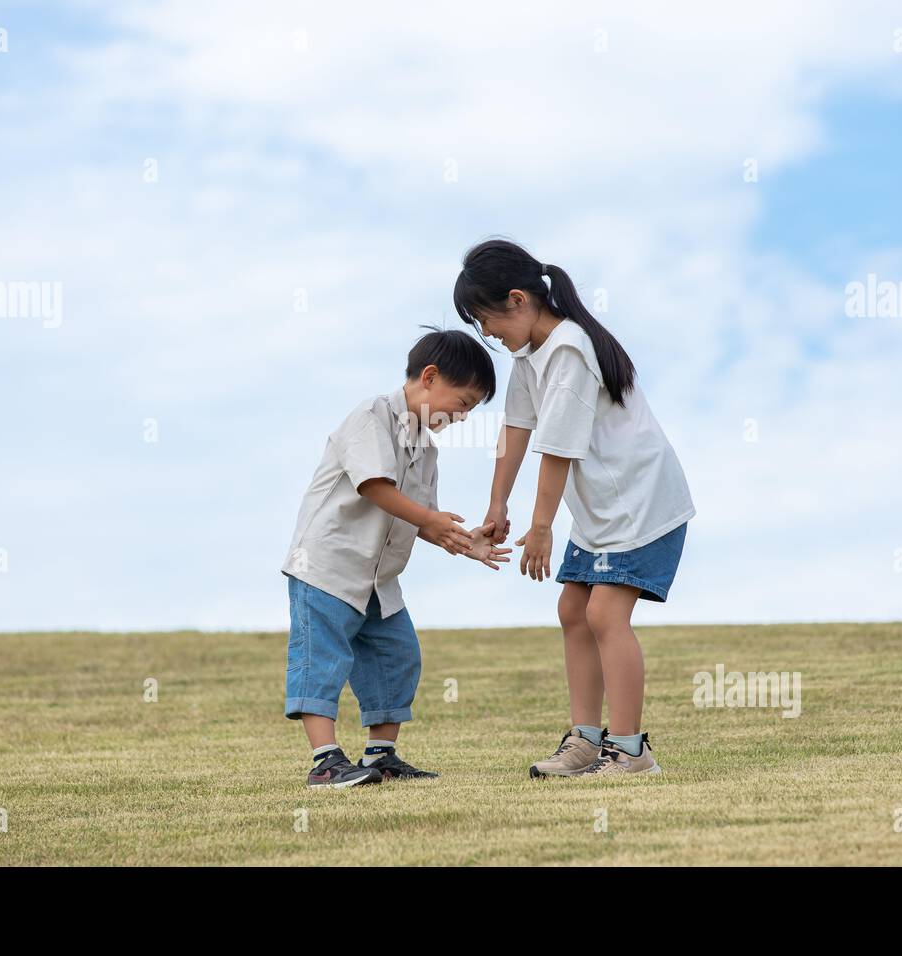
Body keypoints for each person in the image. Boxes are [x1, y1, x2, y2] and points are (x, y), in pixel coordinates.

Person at [454, 240, 695, 777]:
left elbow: (558, 447)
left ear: (517, 300)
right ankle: (585, 742)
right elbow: (517, 429)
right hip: (601, 509)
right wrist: (497, 504)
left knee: (605, 614)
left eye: (486, 320)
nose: (487, 334)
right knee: (572, 612)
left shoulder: (568, 350)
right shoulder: (530, 354)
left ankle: (631, 751)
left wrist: (541, 528)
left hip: (640, 501)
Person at [280, 327, 511, 788]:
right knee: (321, 658)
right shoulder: (371, 415)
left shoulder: (426, 448)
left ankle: (380, 755)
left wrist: (467, 541)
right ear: (429, 377)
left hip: (378, 579)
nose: (463, 417)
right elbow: (375, 486)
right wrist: (428, 517)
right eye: (463, 403)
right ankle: (325, 761)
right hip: (328, 566)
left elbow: (421, 521)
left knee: (398, 655)